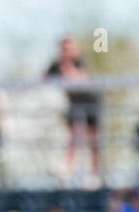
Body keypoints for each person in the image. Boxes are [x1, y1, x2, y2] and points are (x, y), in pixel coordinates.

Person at [45, 36, 101, 186]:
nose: (66, 52)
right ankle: (67, 170)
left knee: (92, 139)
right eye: (64, 48)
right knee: (72, 137)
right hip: (73, 104)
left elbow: (79, 80)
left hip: (90, 102)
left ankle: (94, 174)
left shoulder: (81, 61)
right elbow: (44, 78)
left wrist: (67, 69)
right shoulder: (56, 65)